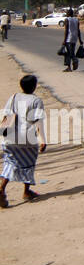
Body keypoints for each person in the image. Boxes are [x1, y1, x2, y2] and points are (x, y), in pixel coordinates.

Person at [1, 74, 47, 208]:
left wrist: (3, 133)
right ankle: (26, 192)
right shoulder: (36, 100)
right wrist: (43, 140)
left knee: (10, 163)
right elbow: (39, 121)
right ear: (34, 86)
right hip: (27, 139)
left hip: (10, 138)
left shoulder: (13, 97)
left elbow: (7, 116)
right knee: (29, 164)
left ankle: (2, 188)